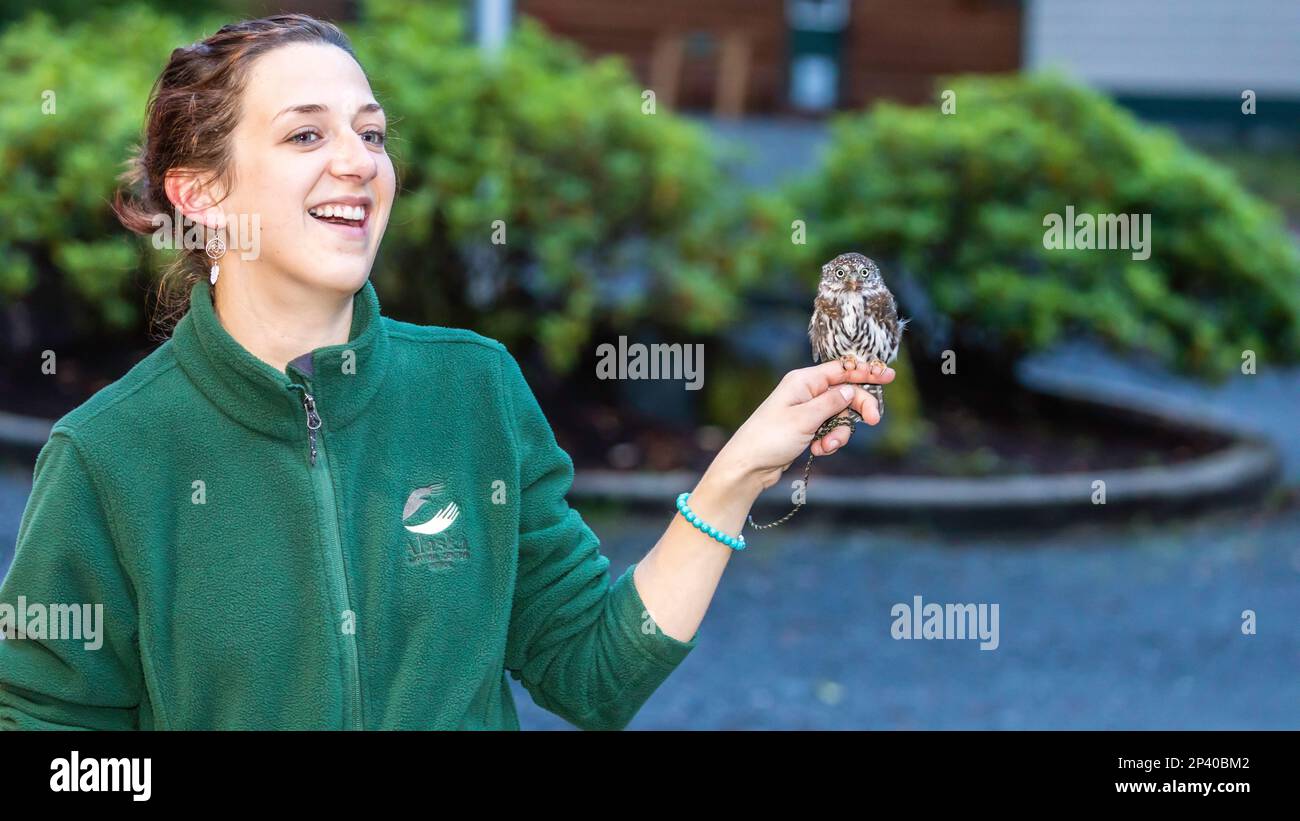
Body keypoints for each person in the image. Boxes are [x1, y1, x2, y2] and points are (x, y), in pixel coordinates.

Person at [0, 13, 892, 730]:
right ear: (199, 192)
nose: (358, 161)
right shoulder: (108, 454)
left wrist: (737, 474)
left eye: (371, 132)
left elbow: (593, 671)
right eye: (305, 135)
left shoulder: (476, 391)